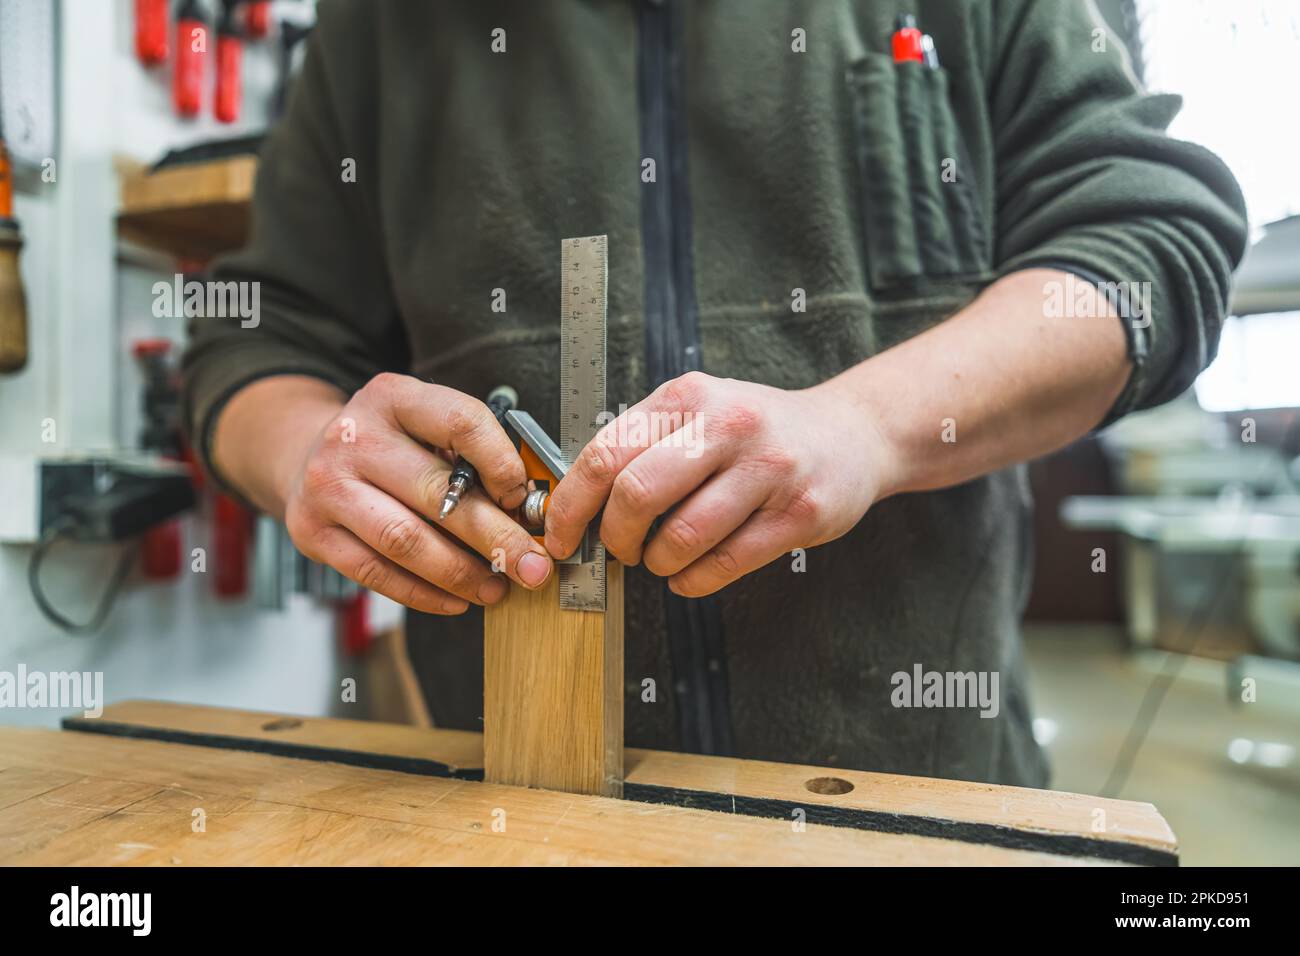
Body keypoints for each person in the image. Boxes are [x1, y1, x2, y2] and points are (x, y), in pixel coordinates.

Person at [182, 0, 1247, 786]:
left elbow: (1149, 244)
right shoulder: (385, 29)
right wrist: (308, 445)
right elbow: (254, 337)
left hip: (917, 798)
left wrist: (864, 427)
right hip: (516, 805)